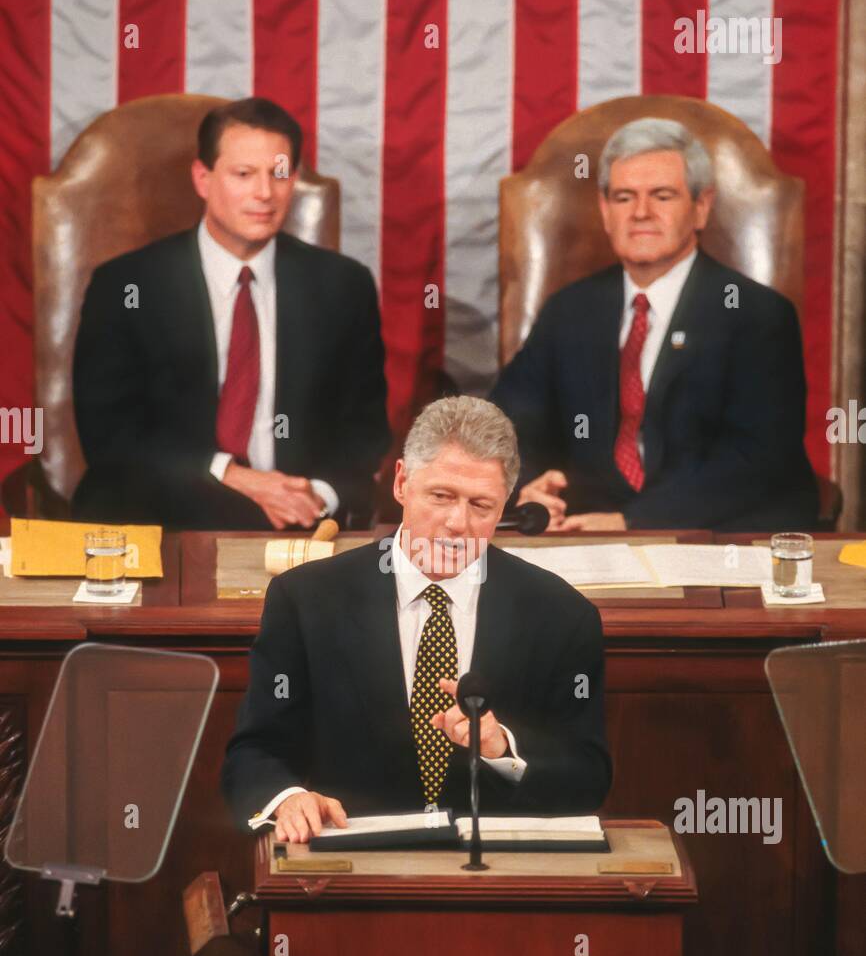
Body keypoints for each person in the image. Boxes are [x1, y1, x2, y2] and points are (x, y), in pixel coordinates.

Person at [222, 396, 611, 843]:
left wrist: (503, 750)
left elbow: (587, 779)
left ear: (504, 506)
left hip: (495, 880)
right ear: (402, 483)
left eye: (481, 505)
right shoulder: (306, 600)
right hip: (352, 874)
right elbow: (253, 753)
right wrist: (288, 798)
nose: (457, 523)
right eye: (441, 496)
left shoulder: (561, 616)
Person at [71, 97, 389, 530]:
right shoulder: (128, 285)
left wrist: (317, 496)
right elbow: (110, 436)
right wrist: (234, 477)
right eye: (243, 174)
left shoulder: (343, 286)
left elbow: (365, 429)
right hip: (157, 521)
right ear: (203, 178)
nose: (264, 193)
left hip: (295, 525)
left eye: (278, 174)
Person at [492, 117, 819, 533]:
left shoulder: (758, 315)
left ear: (701, 207)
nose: (641, 213)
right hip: (582, 533)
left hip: (721, 535)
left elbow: (756, 459)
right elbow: (508, 422)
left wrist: (633, 522)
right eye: (625, 197)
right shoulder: (569, 311)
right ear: (605, 210)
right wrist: (529, 486)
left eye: (662, 196)